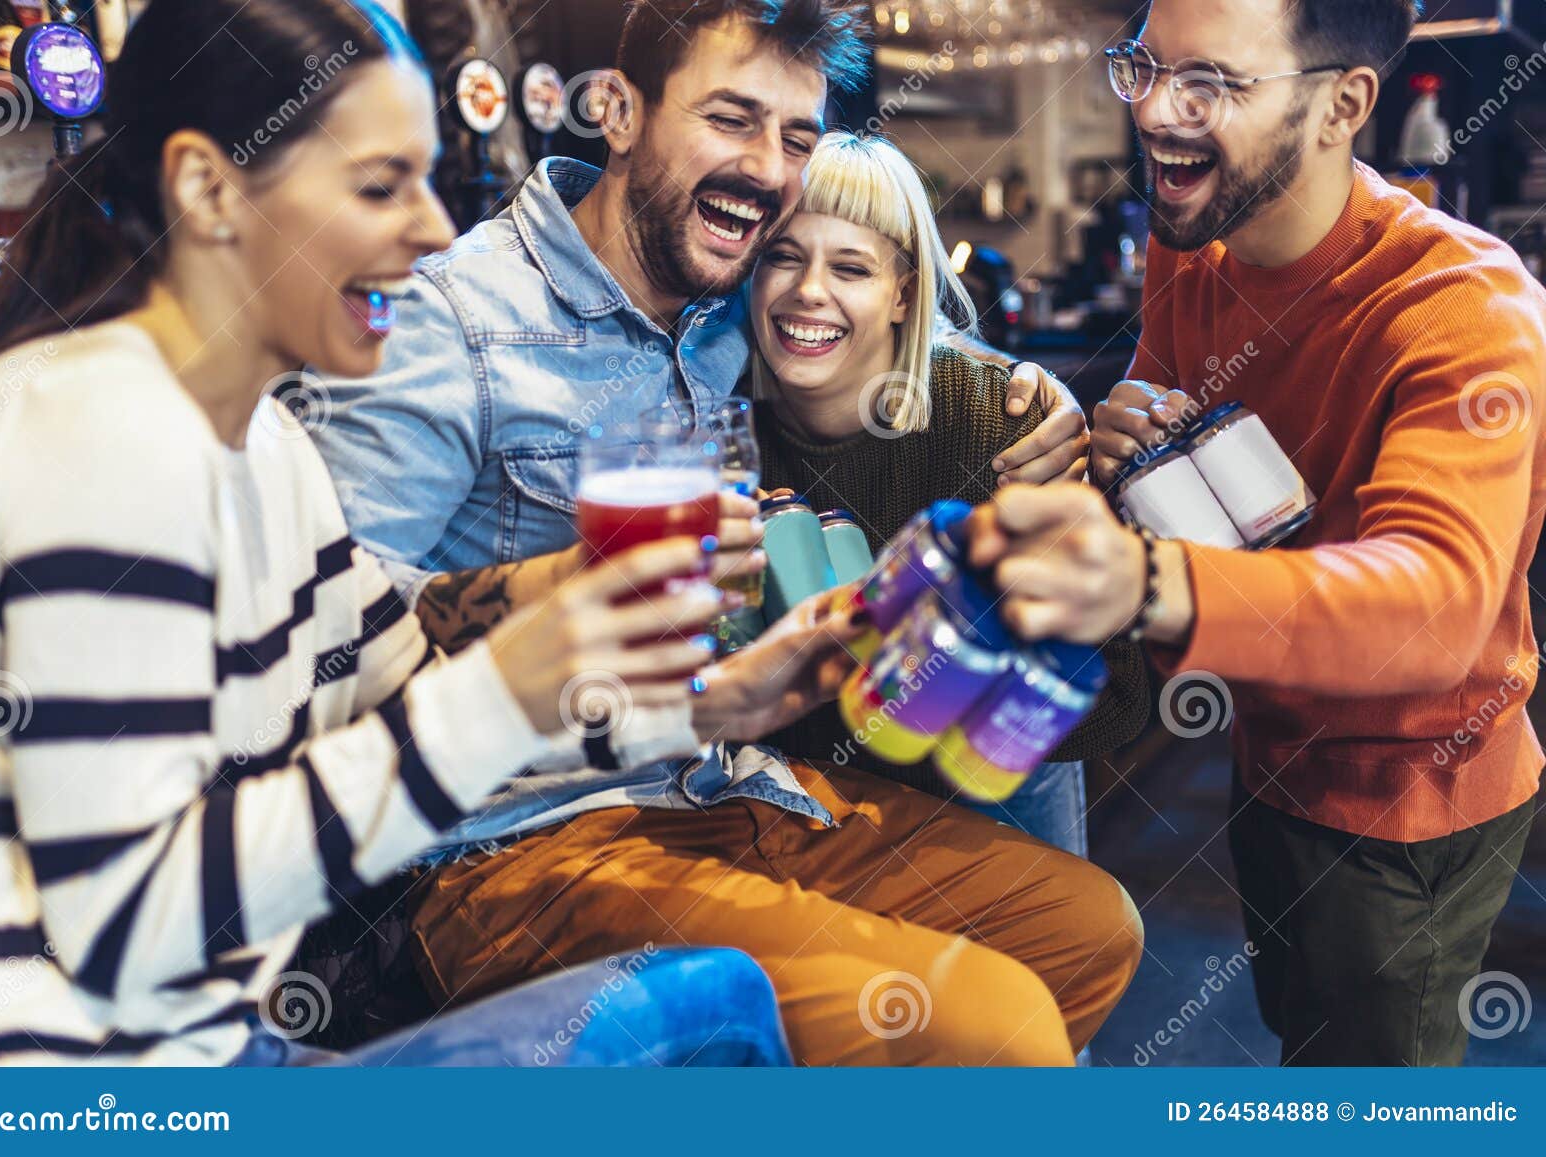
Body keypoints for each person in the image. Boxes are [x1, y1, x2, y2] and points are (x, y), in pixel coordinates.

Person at [0, 0, 797, 1068]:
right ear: (208, 189)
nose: (436, 230)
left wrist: (718, 703)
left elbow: (403, 685)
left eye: (429, 181)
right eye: (380, 186)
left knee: (719, 996)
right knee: (712, 1005)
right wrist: (502, 690)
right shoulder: (97, 434)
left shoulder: (263, 443)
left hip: (224, 1050)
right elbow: (126, 931)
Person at [309, 0, 1141, 1065]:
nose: (766, 167)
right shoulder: (453, 320)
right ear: (617, 111)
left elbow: (872, 312)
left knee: (1085, 931)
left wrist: (1028, 395)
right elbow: (323, 633)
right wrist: (566, 587)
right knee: (990, 1023)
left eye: (796, 136)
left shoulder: (719, 308)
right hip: (510, 839)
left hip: (714, 778)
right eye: (731, 118)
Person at [976, 0, 1545, 1066]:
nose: (1156, 110)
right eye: (1145, 66)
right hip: (1267, 746)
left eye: (1212, 83)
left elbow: (1433, 610)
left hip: (1409, 794)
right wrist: (1118, 436)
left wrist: (1146, 582)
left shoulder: (1465, 310)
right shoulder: (1195, 243)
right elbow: (1161, 408)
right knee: (1299, 1031)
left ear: (1343, 105)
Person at [747, 131, 1150, 856]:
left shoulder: (999, 421)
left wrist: (962, 681)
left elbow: (1116, 695)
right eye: (782, 255)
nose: (808, 290)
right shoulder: (717, 422)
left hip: (987, 800)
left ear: (904, 295)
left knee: (1067, 928)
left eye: (850, 267)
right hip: (806, 805)